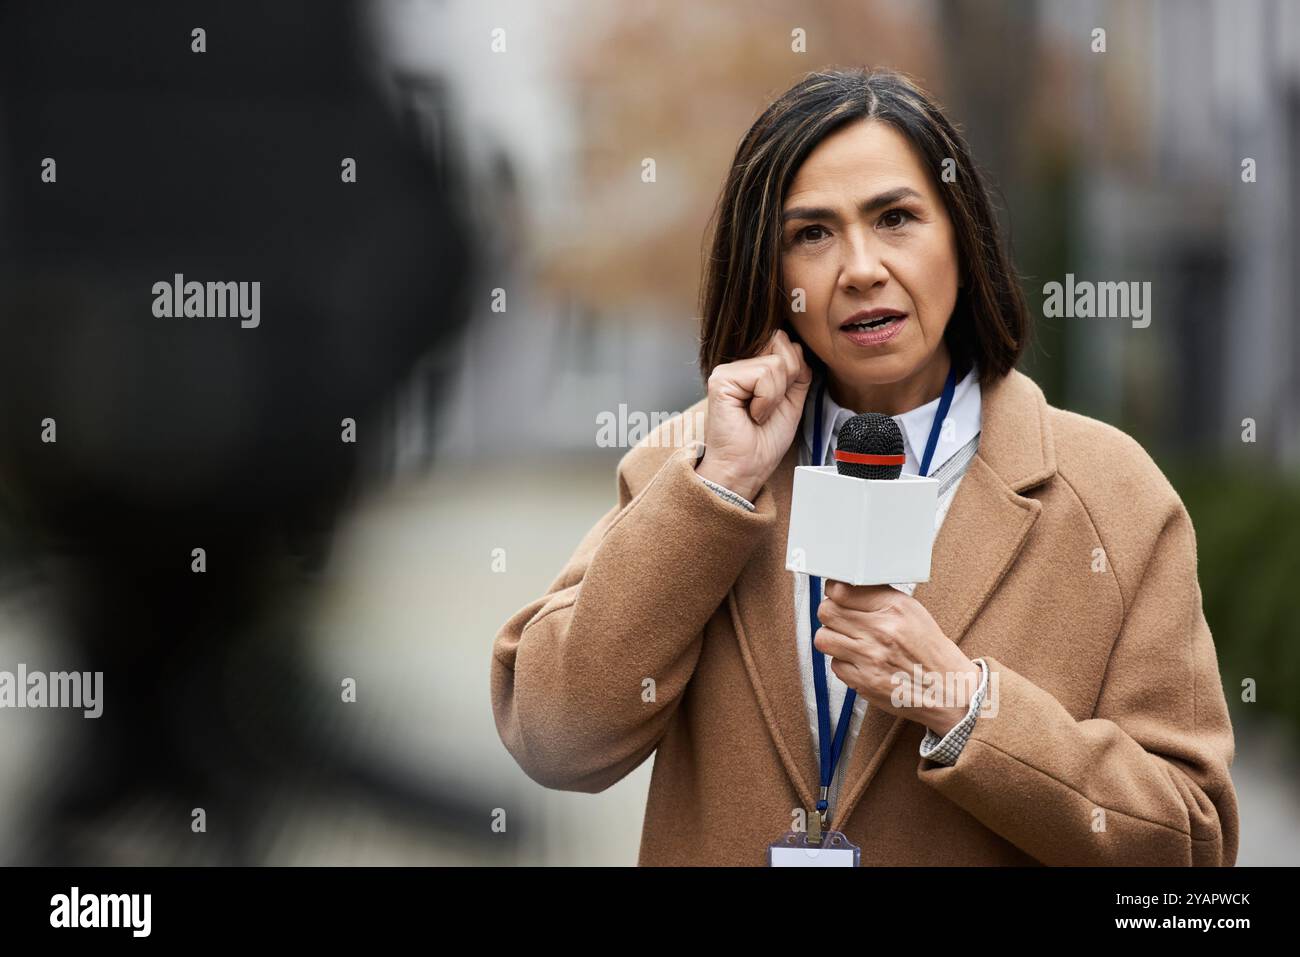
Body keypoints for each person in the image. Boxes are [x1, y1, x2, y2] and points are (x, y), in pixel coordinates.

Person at [490, 67, 1238, 866]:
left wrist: (962, 700)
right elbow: (554, 737)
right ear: (773, 275)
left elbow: (1191, 845)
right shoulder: (690, 464)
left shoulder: (1112, 493)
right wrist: (715, 491)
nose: (858, 267)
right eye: (811, 233)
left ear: (962, 237)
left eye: (895, 218)